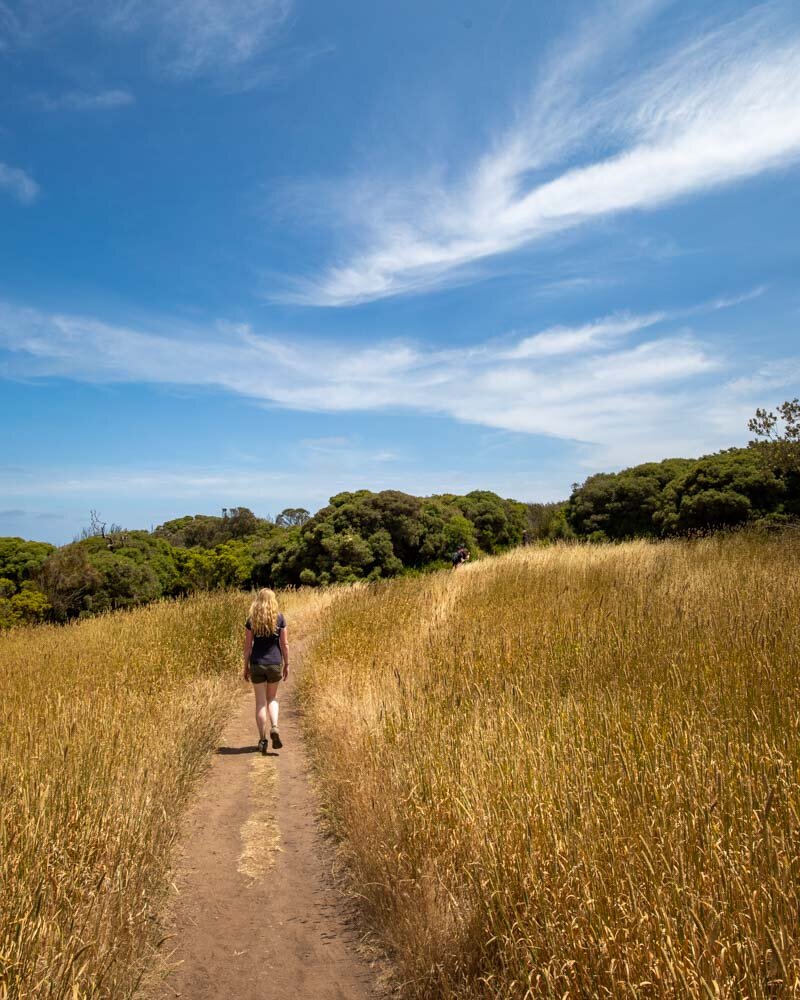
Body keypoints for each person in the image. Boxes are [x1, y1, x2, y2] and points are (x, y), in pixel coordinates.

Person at [243, 588, 289, 754]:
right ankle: (275, 726)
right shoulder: (280, 618)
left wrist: (245, 667)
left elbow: (248, 647)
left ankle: (262, 740)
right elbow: (284, 644)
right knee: (272, 698)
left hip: (256, 663)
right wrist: (287, 664)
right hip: (275, 662)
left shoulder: (252, 619)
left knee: (260, 702)